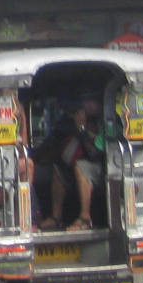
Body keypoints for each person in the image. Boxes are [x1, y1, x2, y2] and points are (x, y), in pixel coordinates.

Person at [42, 96, 106, 231]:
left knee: (80, 166)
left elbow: (94, 154)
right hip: (86, 167)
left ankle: (85, 219)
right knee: (58, 169)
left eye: (89, 101)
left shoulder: (103, 120)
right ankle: (56, 218)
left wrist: (82, 129)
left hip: (105, 166)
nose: (85, 106)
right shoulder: (70, 121)